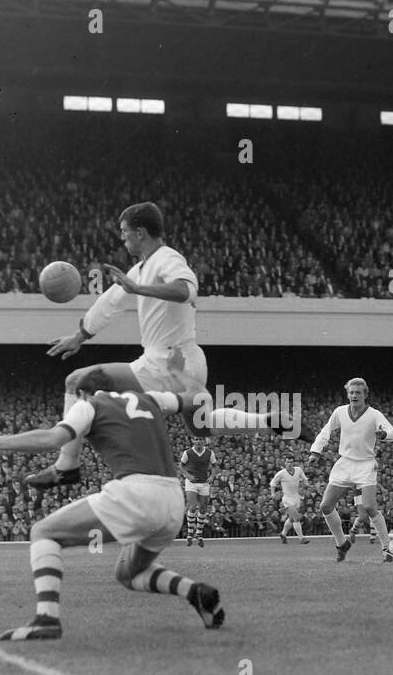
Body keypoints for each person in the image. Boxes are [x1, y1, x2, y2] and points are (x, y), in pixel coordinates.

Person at [24, 201, 305, 501]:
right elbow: (112, 301)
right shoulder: (143, 267)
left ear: (141, 233)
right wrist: (80, 335)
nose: (123, 239)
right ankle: (270, 421)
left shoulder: (167, 259)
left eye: (125, 233)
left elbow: (185, 290)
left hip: (164, 361)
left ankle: (67, 466)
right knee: (203, 427)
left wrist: (139, 290)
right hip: (187, 360)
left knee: (77, 381)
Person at [0, 367, 225, 641]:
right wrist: (178, 371)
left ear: (82, 393)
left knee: (43, 532)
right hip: (173, 501)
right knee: (129, 573)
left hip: (136, 493)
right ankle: (195, 592)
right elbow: (197, 397)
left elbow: (53, 439)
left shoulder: (90, 404)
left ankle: (46, 619)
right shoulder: (150, 398)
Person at [307, 378, 393, 562]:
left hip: (366, 464)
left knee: (369, 507)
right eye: (351, 392)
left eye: (358, 392)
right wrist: (316, 451)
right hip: (345, 463)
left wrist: (384, 434)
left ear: (365, 395)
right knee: (325, 506)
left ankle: (388, 548)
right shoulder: (340, 412)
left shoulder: (374, 415)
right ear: (347, 394)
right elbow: (326, 431)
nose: (354, 395)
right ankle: (342, 543)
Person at [178, 436, 217, 547]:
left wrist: (212, 476)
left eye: (200, 439)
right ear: (193, 441)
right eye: (196, 439)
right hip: (192, 483)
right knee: (193, 506)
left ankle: (199, 534)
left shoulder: (209, 453)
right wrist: (187, 475)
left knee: (204, 508)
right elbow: (181, 465)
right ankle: (190, 533)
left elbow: (215, 466)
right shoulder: (188, 453)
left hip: (204, 482)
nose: (198, 441)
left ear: (204, 441)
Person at [269, 453, 311, 544]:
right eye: (288, 462)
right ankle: (301, 538)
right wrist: (273, 494)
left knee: (292, 519)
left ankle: (283, 534)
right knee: (296, 518)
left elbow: (304, 479)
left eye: (291, 462)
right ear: (285, 463)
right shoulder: (281, 473)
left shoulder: (298, 470)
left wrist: (307, 484)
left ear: (294, 463)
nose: (289, 464)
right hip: (287, 499)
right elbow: (273, 483)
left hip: (296, 498)